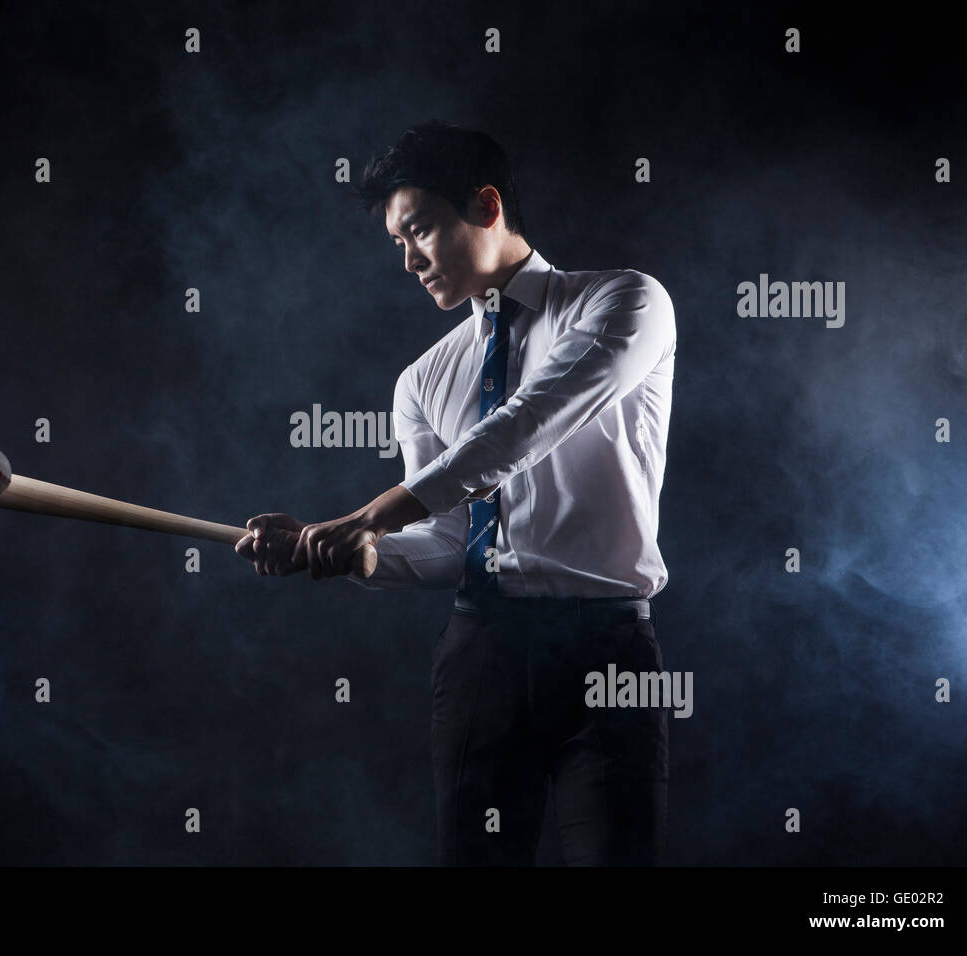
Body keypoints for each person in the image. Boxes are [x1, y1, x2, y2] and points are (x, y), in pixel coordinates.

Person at [235, 120, 676, 866]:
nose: (408, 260)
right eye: (397, 244)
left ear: (486, 206)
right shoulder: (421, 381)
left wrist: (372, 514)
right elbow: (445, 543)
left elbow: (523, 427)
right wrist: (351, 551)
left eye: (420, 231)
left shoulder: (626, 303)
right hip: (483, 655)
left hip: (609, 655)